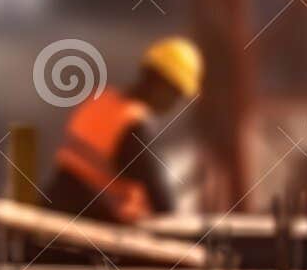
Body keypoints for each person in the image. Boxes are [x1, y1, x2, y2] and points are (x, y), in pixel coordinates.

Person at [43, 37, 202, 224]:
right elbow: (162, 203)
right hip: (86, 228)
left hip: (53, 208)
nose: (174, 104)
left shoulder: (98, 100)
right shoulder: (133, 126)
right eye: (177, 95)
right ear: (162, 85)